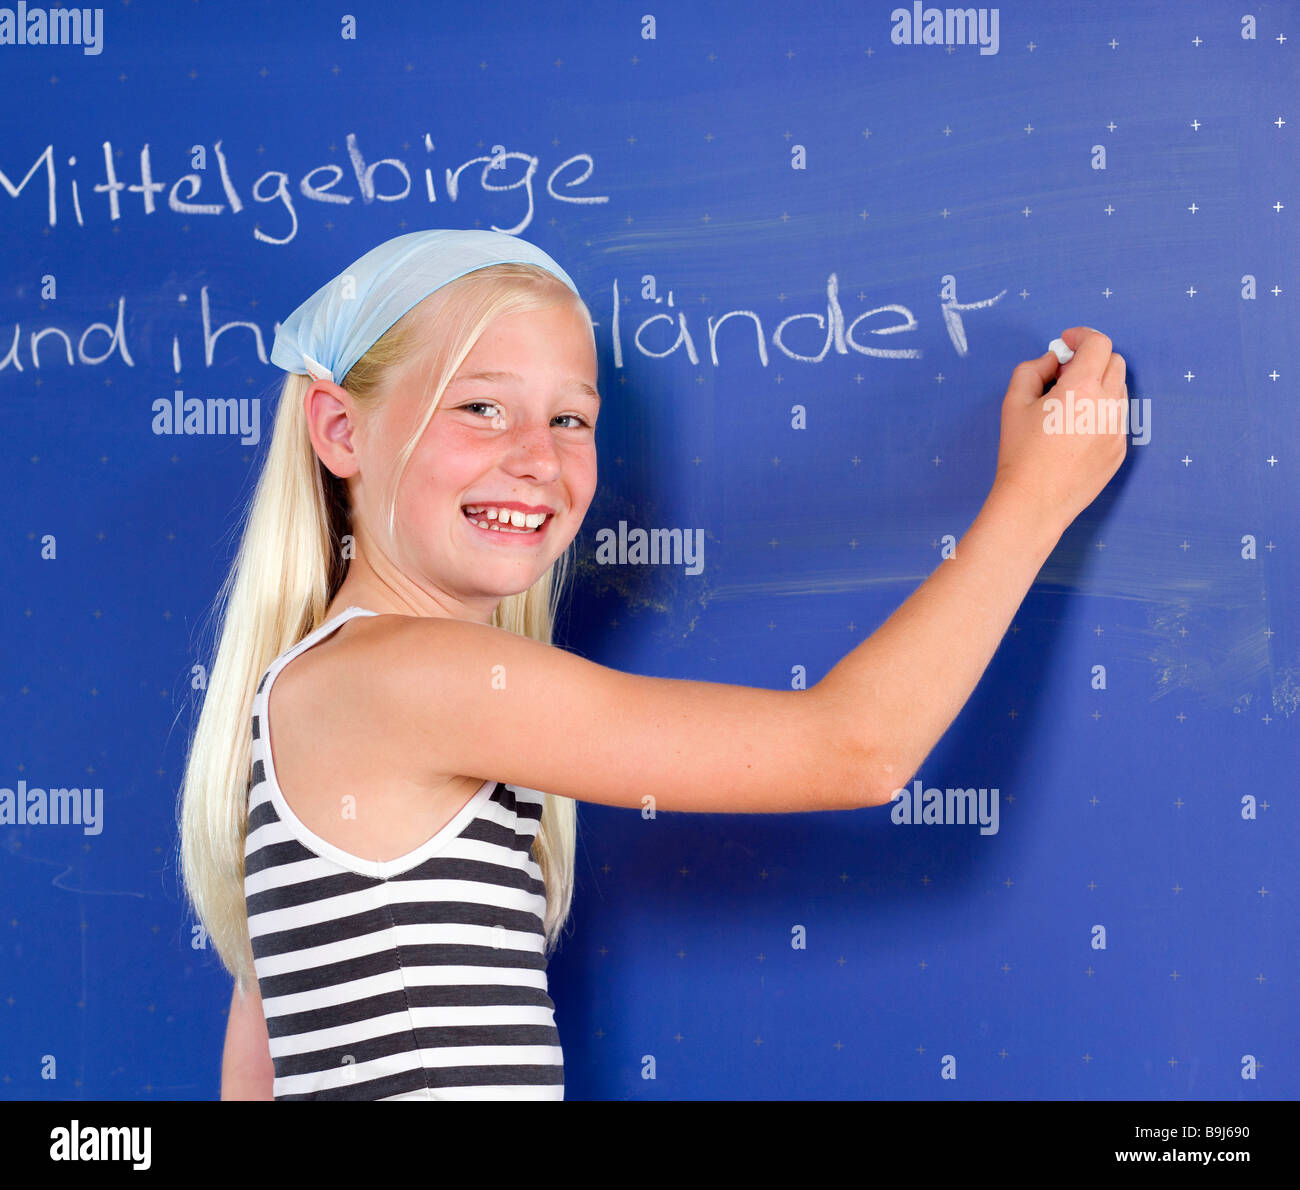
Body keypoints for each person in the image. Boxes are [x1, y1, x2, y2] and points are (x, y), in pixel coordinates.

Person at [179, 228, 1127, 1102]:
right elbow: (855, 750)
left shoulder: (321, 688)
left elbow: (257, 1064)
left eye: (572, 420)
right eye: (479, 407)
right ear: (341, 431)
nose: (538, 460)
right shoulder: (412, 676)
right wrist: (1035, 498)